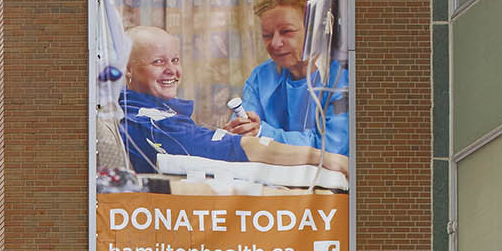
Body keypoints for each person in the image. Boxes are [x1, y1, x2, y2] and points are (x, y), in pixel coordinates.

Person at [116, 25, 348, 178]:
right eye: (158, 62)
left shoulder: (143, 112)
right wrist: (327, 158)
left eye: (175, 60)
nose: (172, 71)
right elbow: (243, 148)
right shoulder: (151, 123)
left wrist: (222, 136)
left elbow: (195, 142)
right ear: (128, 70)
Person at [224, 0, 350, 157]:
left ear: (315, 31)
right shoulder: (261, 78)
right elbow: (240, 137)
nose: (275, 44)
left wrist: (262, 133)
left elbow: (330, 149)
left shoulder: (339, 80)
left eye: (287, 31)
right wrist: (240, 129)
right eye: (267, 35)